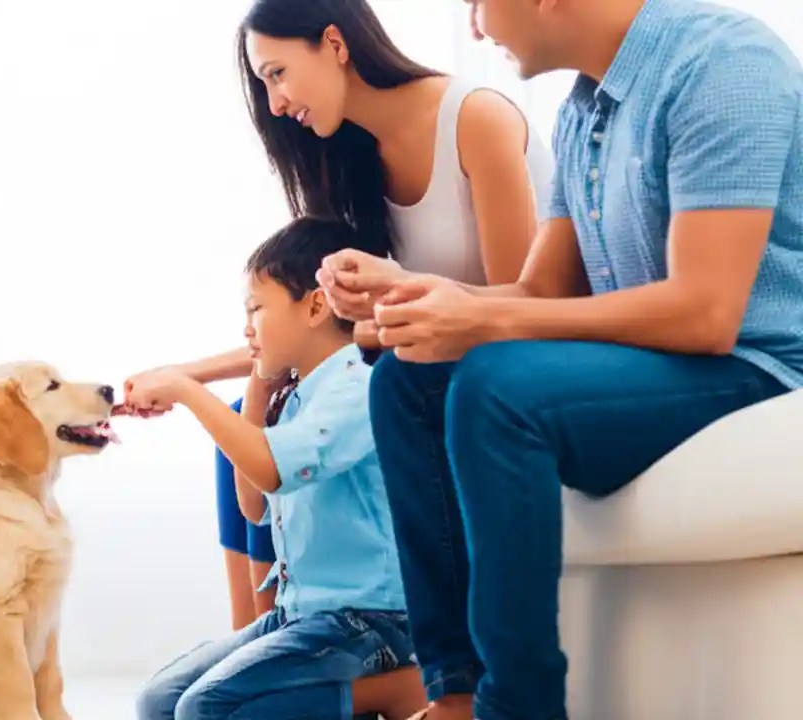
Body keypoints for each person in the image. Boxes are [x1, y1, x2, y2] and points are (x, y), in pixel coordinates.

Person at [316, 1, 803, 718]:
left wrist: (481, 317)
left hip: (753, 365)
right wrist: (417, 294)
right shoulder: (583, 114)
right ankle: (454, 693)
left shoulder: (723, 64)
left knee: (496, 386)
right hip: (648, 365)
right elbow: (542, 291)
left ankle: (519, 707)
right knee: (407, 379)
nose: (476, 25)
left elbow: (706, 314)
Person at [124, 0, 552, 644]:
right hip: (414, 360)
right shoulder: (346, 158)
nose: (275, 103)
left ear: (334, 43)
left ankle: (300, 659)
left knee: (281, 433)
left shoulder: (475, 120)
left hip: (494, 364)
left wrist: (399, 292)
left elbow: (520, 307)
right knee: (250, 417)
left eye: (278, 73)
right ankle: (258, 645)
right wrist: (186, 375)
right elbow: (323, 328)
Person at [131, 217, 426, 720]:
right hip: (302, 615)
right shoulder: (297, 400)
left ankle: (399, 691)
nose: (247, 328)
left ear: (314, 306)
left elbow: (271, 470)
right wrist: (260, 387)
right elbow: (253, 505)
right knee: (159, 702)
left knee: (205, 708)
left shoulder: (357, 388)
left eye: (257, 309)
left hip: (369, 621)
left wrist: (185, 389)